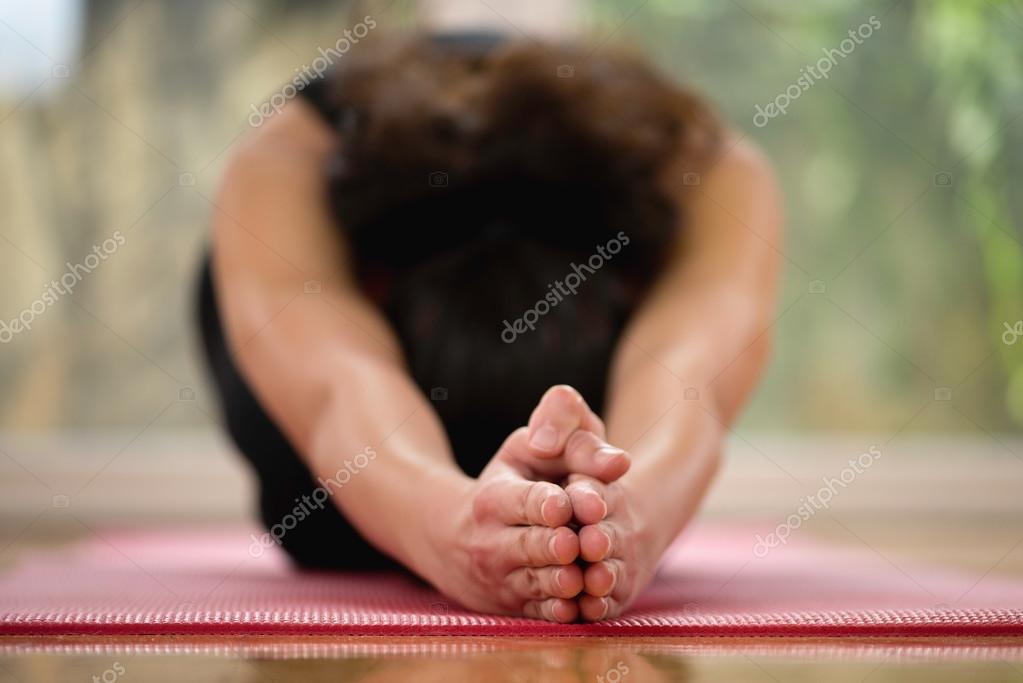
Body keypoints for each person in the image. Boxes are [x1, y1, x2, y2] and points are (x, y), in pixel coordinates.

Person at [197, 31, 780, 623]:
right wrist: (454, 536)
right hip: (323, 446)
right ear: (377, 289)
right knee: (329, 522)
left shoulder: (704, 171)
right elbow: (336, 387)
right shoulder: (288, 163)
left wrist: (632, 518)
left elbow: (689, 375)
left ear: (630, 290)